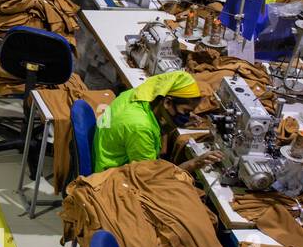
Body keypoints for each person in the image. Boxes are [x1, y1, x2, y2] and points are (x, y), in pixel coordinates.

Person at [93, 72, 223, 173]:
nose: (187, 116)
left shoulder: (134, 95)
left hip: (104, 157)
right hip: (111, 176)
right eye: (186, 111)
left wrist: (174, 121)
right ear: (167, 102)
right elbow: (150, 177)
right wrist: (193, 164)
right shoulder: (140, 127)